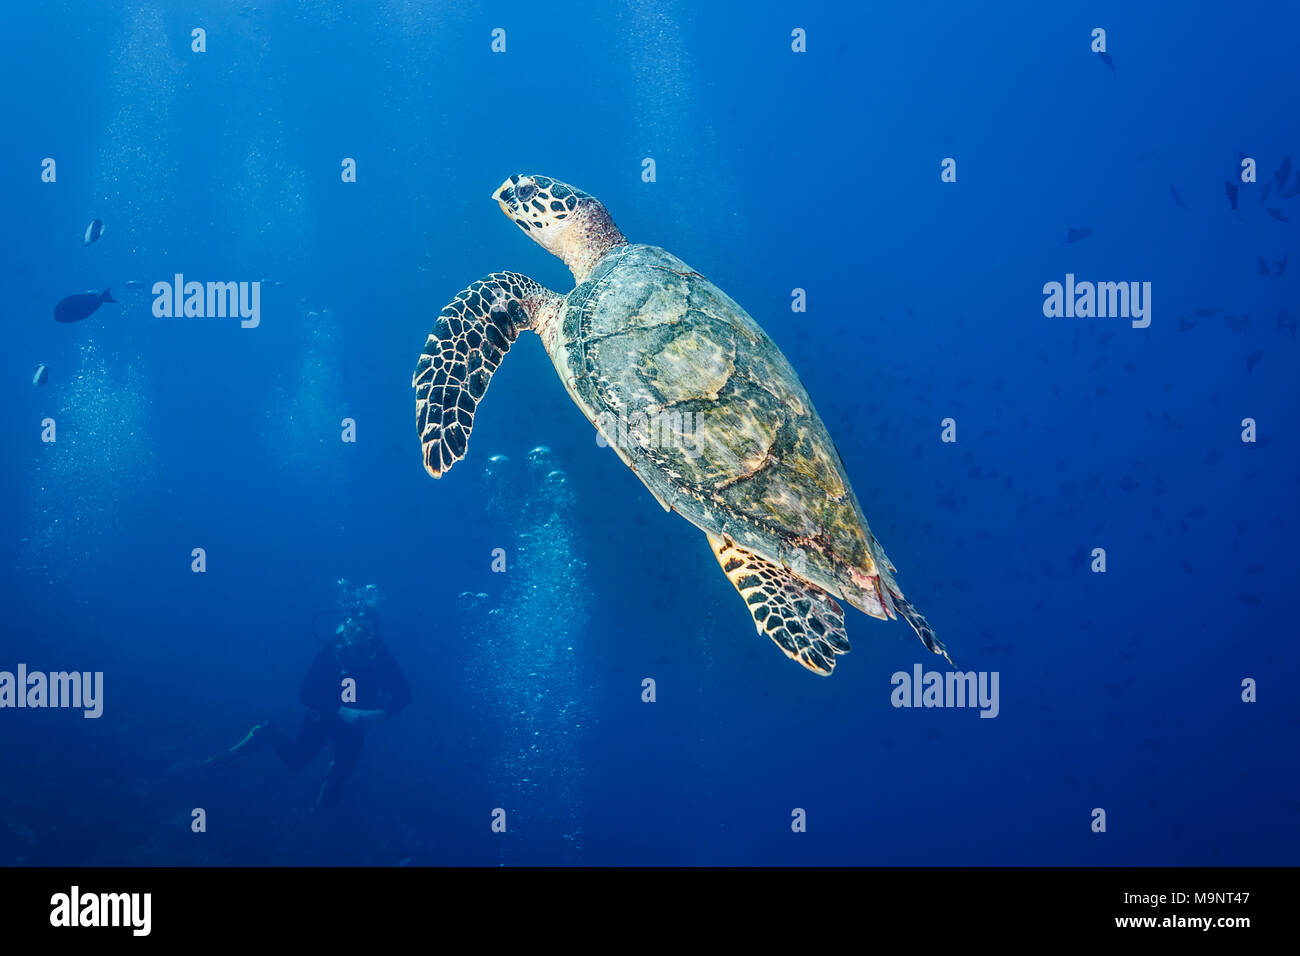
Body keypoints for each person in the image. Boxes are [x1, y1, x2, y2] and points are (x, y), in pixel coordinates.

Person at [205, 585, 410, 809]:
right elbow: (307, 692)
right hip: (323, 718)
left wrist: (377, 715)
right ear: (345, 628)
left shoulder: (381, 656)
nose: (359, 636)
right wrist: (341, 710)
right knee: (296, 761)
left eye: (366, 630)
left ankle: (329, 791)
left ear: (374, 632)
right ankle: (265, 734)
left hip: (356, 724)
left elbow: (404, 695)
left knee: (344, 771)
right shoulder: (333, 651)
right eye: (353, 630)